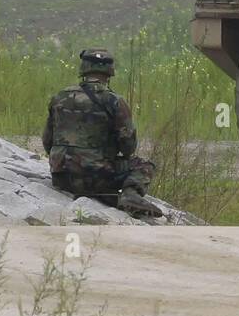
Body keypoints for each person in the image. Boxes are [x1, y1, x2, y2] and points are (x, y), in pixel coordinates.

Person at [41, 48, 163, 220]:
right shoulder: (114, 101)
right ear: (109, 72)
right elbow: (128, 147)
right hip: (97, 177)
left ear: (84, 69)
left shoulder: (59, 97)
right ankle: (129, 194)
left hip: (61, 177)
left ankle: (105, 194)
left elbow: (47, 142)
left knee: (91, 175)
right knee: (144, 166)